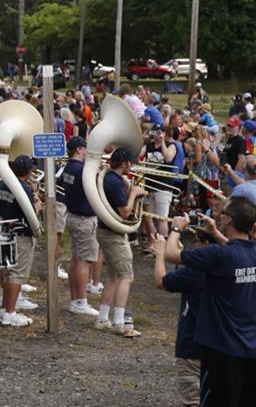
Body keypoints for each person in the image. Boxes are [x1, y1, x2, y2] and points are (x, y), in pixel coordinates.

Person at [165, 198, 256, 406]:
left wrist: (176, 229)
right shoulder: (247, 253)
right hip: (251, 349)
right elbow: (238, 250)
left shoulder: (217, 255)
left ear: (228, 219)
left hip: (221, 351)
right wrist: (215, 233)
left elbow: (171, 254)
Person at [95, 146, 146, 337]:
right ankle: (118, 322)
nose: (132, 166)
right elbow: (125, 212)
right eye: (131, 163)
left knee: (114, 276)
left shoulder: (110, 178)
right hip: (113, 233)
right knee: (126, 276)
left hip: (107, 230)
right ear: (124, 163)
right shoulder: (114, 182)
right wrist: (133, 193)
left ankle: (102, 318)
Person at [153, 227, 205, 407]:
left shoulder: (194, 272)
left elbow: (161, 281)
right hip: (221, 346)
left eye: (197, 241)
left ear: (205, 244)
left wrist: (160, 252)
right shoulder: (233, 262)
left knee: (190, 400)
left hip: (192, 345)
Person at [0, 155, 42, 326]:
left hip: (7, 230)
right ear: (28, 171)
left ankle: (5, 308)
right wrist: (37, 207)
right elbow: (29, 215)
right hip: (21, 233)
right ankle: (10, 312)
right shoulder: (24, 188)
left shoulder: (2, 183)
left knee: (8, 270)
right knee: (17, 273)